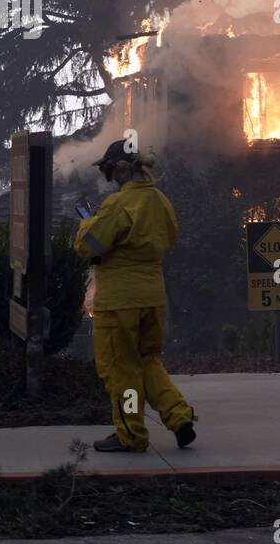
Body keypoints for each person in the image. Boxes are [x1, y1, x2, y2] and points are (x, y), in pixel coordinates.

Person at [75, 139, 196, 453]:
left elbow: (90, 245)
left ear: (119, 170)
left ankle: (131, 435)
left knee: (120, 368)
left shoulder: (119, 205)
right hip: (153, 297)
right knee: (146, 361)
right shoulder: (160, 201)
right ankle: (179, 416)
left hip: (120, 302)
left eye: (108, 172)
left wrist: (86, 223)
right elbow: (170, 236)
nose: (109, 179)